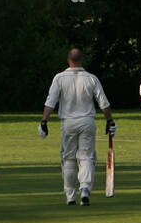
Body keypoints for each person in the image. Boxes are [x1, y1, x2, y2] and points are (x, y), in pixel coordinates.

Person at [40, 48, 115, 206]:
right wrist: (110, 121)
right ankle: (85, 188)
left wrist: (44, 121)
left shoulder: (59, 78)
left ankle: (70, 195)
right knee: (86, 157)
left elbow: (50, 102)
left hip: (68, 122)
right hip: (87, 121)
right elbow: (104, 103)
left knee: (68, 158)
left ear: (68, 60)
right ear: (82, 60)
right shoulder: (91, 78)